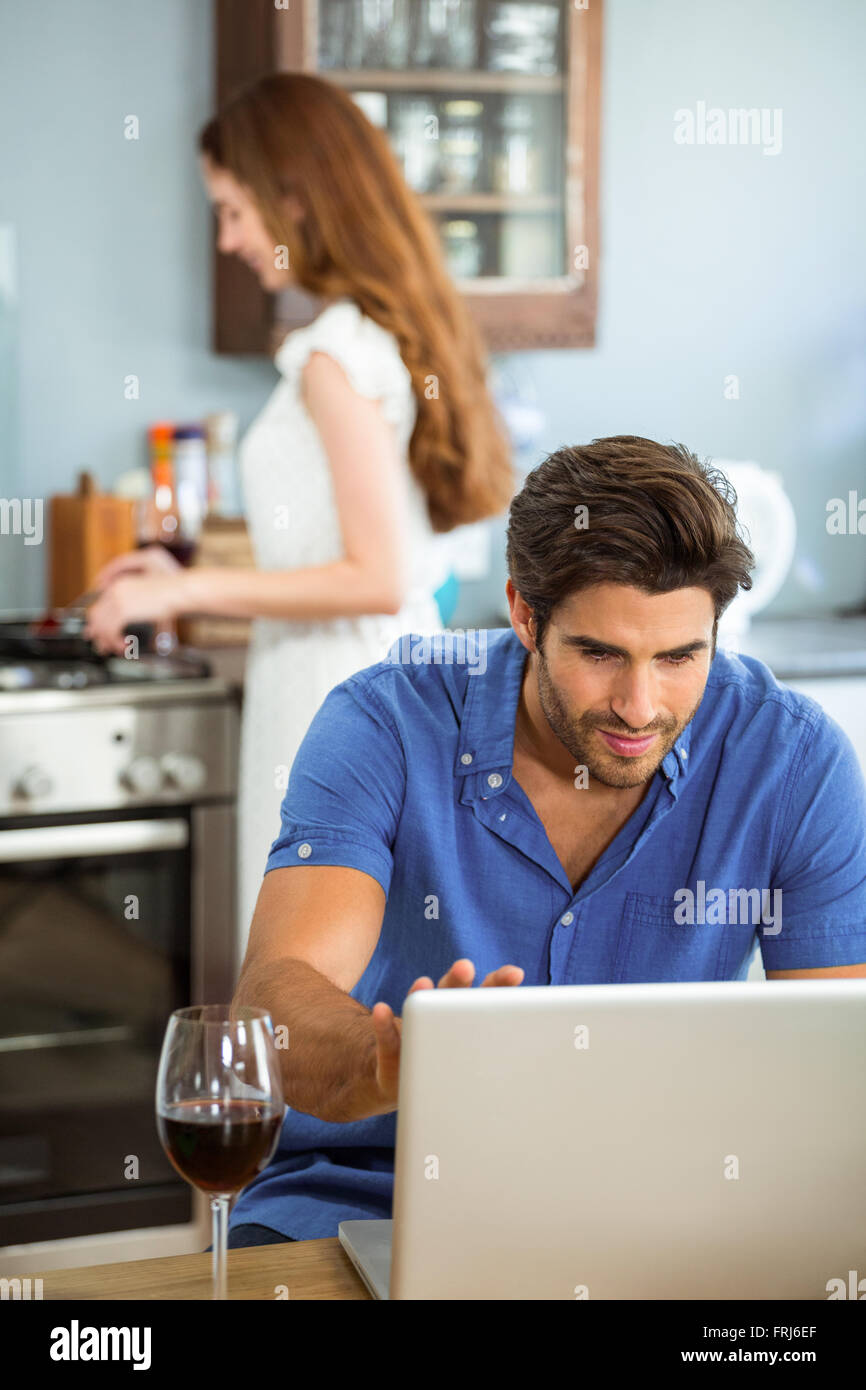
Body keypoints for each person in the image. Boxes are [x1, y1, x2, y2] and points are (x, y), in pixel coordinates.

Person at [225, 434, 866, 1247]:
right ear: (525, 613)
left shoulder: (793, 762)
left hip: (669, 1216)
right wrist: (388, 1063)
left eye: (680, 657)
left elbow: (838, 1068)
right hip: (366, 1198)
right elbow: (275, 1001)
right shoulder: (385, 722)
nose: (640, 705)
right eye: (600, 654)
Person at [84, 73, 514, 946]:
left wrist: (180, 595)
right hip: (368, 686)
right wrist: (183, 577)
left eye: (234, 209)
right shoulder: (373, 337)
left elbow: (374, 574)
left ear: (295, 198)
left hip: (330, 699)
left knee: (302, 984)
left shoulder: (331, 355)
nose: (229, 238)